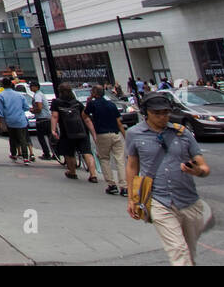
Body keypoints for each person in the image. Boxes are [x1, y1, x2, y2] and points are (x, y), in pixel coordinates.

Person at [126, 93, 211, 266]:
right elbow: (132, 166)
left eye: (165, 112)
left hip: (189, 201)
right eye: (157, 113)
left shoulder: (182, 133)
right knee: (178, 250)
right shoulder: (134, 134)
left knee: (189, 251)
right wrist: (132, 198)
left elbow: (204, 168)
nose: (162, 117)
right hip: (159, 200)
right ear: (146, 113)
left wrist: (197, 171)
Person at [50, 82, 97, 181]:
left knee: (68, 152)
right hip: (81, 130)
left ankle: (72, 172)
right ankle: (93, 175)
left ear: (60, 91)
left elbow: (54, 116)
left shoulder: (56, 102)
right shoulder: (77, 103)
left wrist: (53, 130)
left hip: (67, 131)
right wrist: (93, 133)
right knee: (87, 152)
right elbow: (87, 119)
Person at [84, 84, 127, 194]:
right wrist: (125, 136)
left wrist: (89, 102)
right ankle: (124, 186)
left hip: (102, 134)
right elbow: (119, 123)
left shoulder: (92, 104)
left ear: (94, 93)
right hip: (115, 133)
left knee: (104, 158)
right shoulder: (111, 104)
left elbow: (84, 115)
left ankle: (112, 185)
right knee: (120, 159)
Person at [0, 78, 31, 165]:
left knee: (12, 138)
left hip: (9, 120)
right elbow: (26, 107)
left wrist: (0, 122)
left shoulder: (0, 96)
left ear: (2, 85)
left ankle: (14, 153)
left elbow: (0, 111)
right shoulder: (20, 95)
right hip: (21, 119)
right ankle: (25, 157)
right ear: (11, 84)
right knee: (23, 139)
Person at [29, 79, 55, 160]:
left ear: (36, 87)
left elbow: (39, 107)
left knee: (41, 137)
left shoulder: (37, 95)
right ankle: (55, 153)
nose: (30, 88)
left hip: (42, 119)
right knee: (50, 136)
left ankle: (47, 153)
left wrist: (33, 110)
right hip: (47, 118)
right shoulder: (40, 94)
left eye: (31, 86)